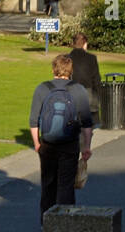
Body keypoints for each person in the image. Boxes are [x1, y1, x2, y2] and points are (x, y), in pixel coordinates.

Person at [29, 54, 94, 218]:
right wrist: (86, 146)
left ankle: (46, 222)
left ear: (53, 69)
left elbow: (33, 120)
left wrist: (37, 143)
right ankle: (65, 223)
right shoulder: (78, 89)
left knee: (48, 184)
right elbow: (87, 123)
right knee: (66, 185)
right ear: (71, 71)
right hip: (70, 143)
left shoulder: (42, 88)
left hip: (48, 143)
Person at [64, 33, 103, 125]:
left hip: (70, 92)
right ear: (85, 44)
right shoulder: (91, 58)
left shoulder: (67, 58)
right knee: (87, 125)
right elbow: (96, 79)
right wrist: (99, 95)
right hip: (87, 93)